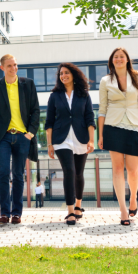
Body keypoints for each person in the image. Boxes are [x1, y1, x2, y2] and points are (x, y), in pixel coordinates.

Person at [97, 48, 138, 226]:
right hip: (113, 125)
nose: (118, 59)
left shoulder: (137, 77)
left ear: (127, 60)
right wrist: (100, 135)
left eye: (121, 57)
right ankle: (123, 211)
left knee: (133, 170)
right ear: (112, 61)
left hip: (134, 125)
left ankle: (133, 197)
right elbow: (102, 109)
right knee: (117, 169)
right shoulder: (105, 81)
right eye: (115, 57)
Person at [0, 54, 40, 225]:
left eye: (15, 65)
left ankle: (16, 213)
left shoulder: (27, 84)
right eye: (9, 66)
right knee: (2, 174)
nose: (13, 68)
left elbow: (35, 110)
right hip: (3, 138)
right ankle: (4, 213)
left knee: (17, 175)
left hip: (23, 137)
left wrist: (30, 133)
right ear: (2, 68)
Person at [45, 63, 96, 225]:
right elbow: (49, 122)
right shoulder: (54, 96)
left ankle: (79, 205)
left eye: (66, 73)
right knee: (69, 170)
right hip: (61, 139)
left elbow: (90, 118)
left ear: (73, 75)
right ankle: (70, 211)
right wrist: (49, 144)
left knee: (78, 173)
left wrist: (91, 139)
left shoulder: (84, 95)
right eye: (61, 73)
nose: (63, 76)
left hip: (81, 138)